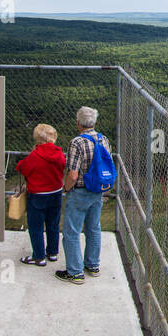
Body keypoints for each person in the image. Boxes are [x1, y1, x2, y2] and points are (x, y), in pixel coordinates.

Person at [60, 106, 111, 279]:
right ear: (94, 122)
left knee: (72, 231)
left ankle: (75, 272)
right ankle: (93, 265)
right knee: (93, 228)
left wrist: (66, 188)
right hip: (97, 191)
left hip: (80, 191)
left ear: (78, 123)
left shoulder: (77, 142)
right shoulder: (103, 139)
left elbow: (73, 174)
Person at [14, 123, 66, 275]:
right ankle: (53, 252)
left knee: (36, 226)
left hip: (38, 195)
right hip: (56, 192)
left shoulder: (35, 156)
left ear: (37, 138)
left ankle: (38, 257)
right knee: (53, 223)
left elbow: (23, 168)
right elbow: (63, 165)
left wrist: (21, 163)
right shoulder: (59, 153)